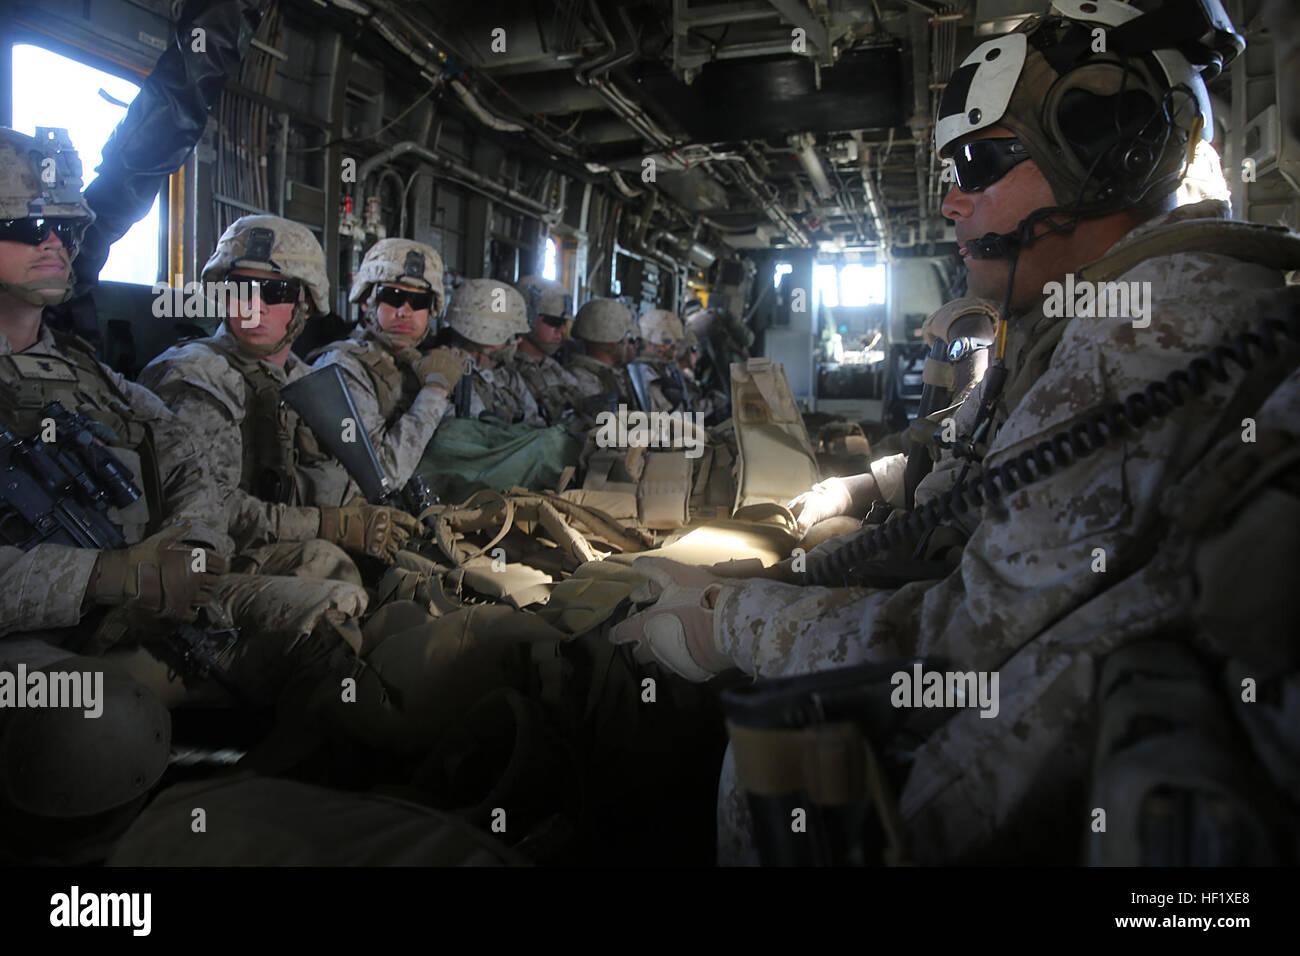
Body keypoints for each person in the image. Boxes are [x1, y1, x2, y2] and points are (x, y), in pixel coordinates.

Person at [606, 2, 1299, 863]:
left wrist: (730, 619)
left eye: (980, 159)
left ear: (1107, 149)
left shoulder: (1150, 325)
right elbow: (961, 466)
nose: (950, 196)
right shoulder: (1082, 313)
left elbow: (952, 650)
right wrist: (834, 527)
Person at [0, 128, 384, 858]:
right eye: (25, 227)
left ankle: (253, 821)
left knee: (323, 613)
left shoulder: (89, 376)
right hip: (35, 639)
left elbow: (190, 473)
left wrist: (192, 545)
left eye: (66, 227)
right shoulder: (188, 369)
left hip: (137, 611)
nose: (53, 243)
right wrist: (108, 575)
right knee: (95, 724)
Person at [138, 216, 415, 580]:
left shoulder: (306, 381)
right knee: (331, 569)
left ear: (307, 305)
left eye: (276, 293)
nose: (254, 305)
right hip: (208, 567)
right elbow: (209, 508)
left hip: (273, 546)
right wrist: (326, 525)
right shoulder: (196, 377)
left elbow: (345, 479)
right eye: (240, 290)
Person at [310, 238, 465, 490]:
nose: (405, 311)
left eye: (419, 302)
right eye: (393, 296)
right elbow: (382, 477)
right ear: (367, 301)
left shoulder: (417, 364)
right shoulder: (341, 366)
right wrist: (435, 392)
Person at [437, 278, 545, 426]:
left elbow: (536, 424)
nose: (519, 342)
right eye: (516, 336)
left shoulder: (506, 375)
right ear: (493, 338)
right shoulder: (443, 373)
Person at [512, 274, 587, 427]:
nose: (561, 330)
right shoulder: (509, 370)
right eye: (555, 322)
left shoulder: (553, 367)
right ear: (527, 317)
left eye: (564, 323)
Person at [566, 297, 639, 413]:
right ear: (613, 341)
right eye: (630, 340)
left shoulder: (617, 374)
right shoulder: (582, 379)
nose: (635, 346)